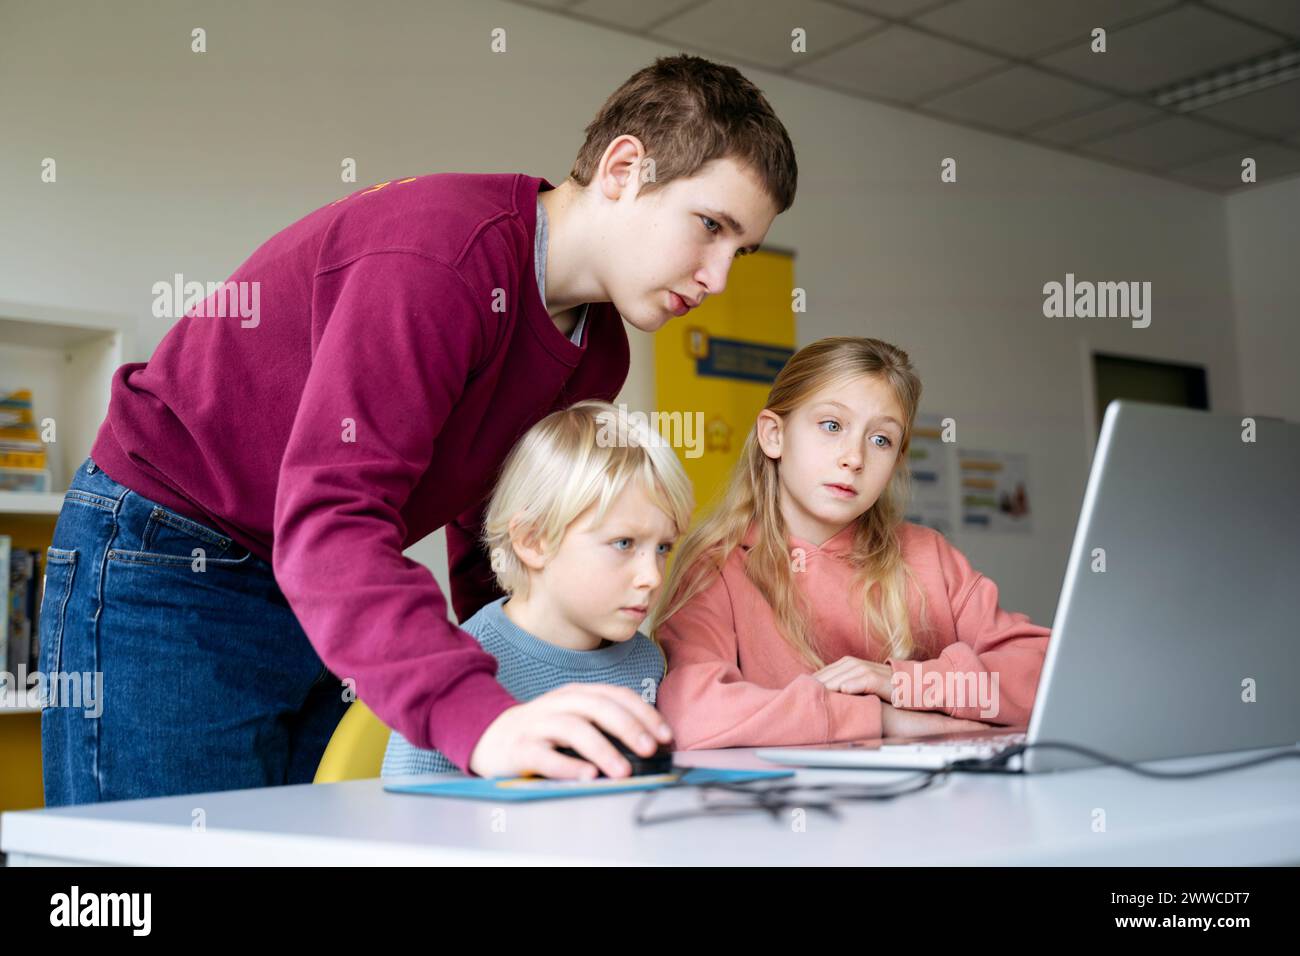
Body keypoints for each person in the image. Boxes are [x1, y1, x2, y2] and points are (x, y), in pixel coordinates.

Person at [39, 53, 797, 804]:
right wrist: (479, 721)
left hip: (312, 583)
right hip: (168, 549)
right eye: (709, 227)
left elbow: (497, 529)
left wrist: (515, 681)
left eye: (742, 250)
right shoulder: (441, 261)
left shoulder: (598, 352)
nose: (718, 277)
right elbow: (332, 516)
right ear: (624, 168)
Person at [653, 337, 1051, 749]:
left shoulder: (928, 556)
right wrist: (881, 719)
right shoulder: (719, 565)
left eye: (881, 440)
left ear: (896, 461)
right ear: (774, 435)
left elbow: (1047, 675)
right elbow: (691, 713)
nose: (854, 458)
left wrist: (903, 683)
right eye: (832, 425)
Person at [382, 399, 692, 779]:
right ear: (533, 541)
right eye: (624, 543)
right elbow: (408, 816)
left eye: (662, 548)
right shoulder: (458, 670)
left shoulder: (648, 663)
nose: (653, 576)